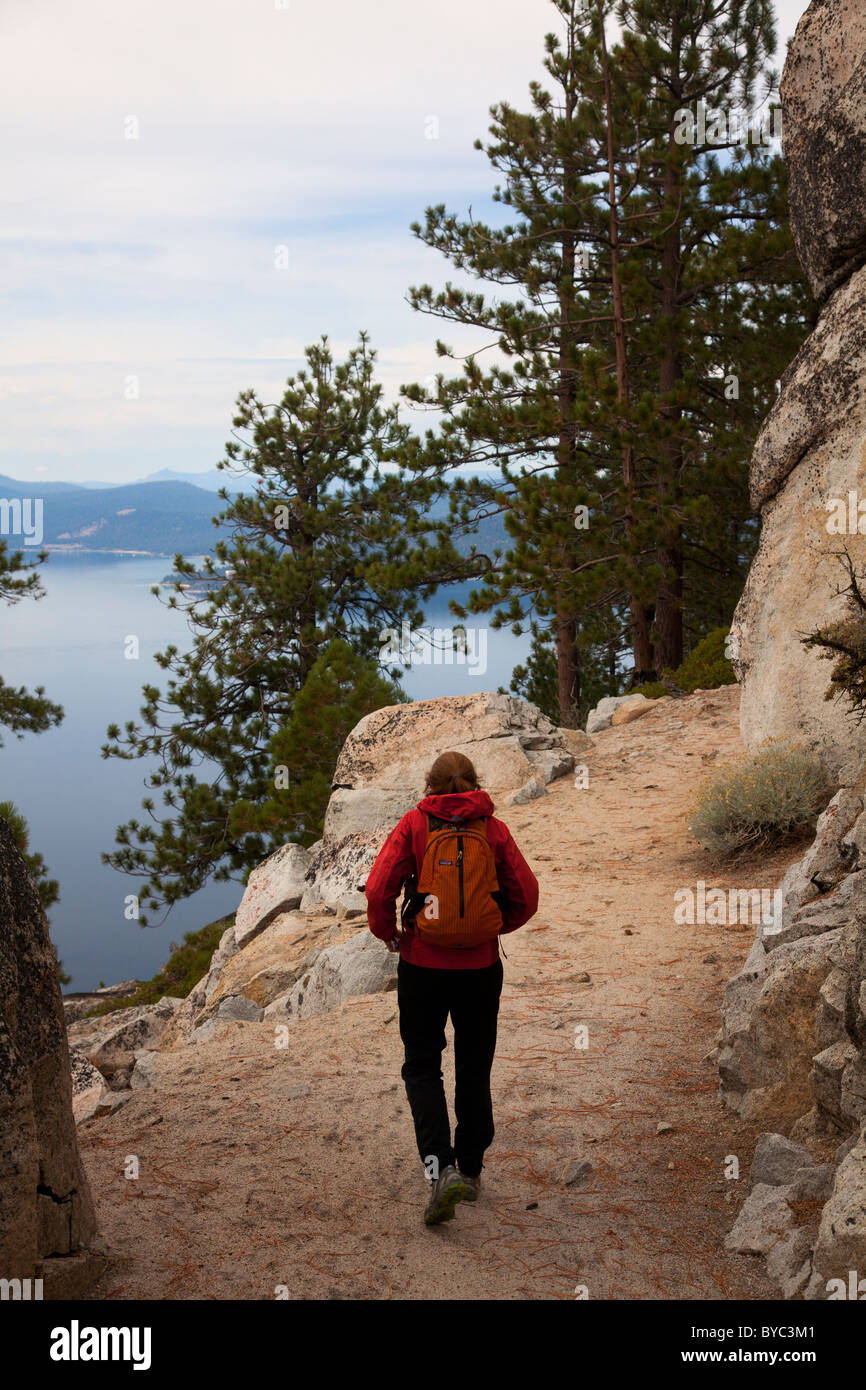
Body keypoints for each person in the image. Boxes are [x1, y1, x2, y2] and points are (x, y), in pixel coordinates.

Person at [365, 750, 539, 1226]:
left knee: (422, 1066)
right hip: (480, 968)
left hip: (422, 965)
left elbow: (378, 887)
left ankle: (439, 1169)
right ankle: (472, 1168)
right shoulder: (493, 829)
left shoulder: (415, 824)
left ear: (430, 786)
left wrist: (389, 934)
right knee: (474, 1063)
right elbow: (528, 894)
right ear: (474, 782)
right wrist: (494, 926)